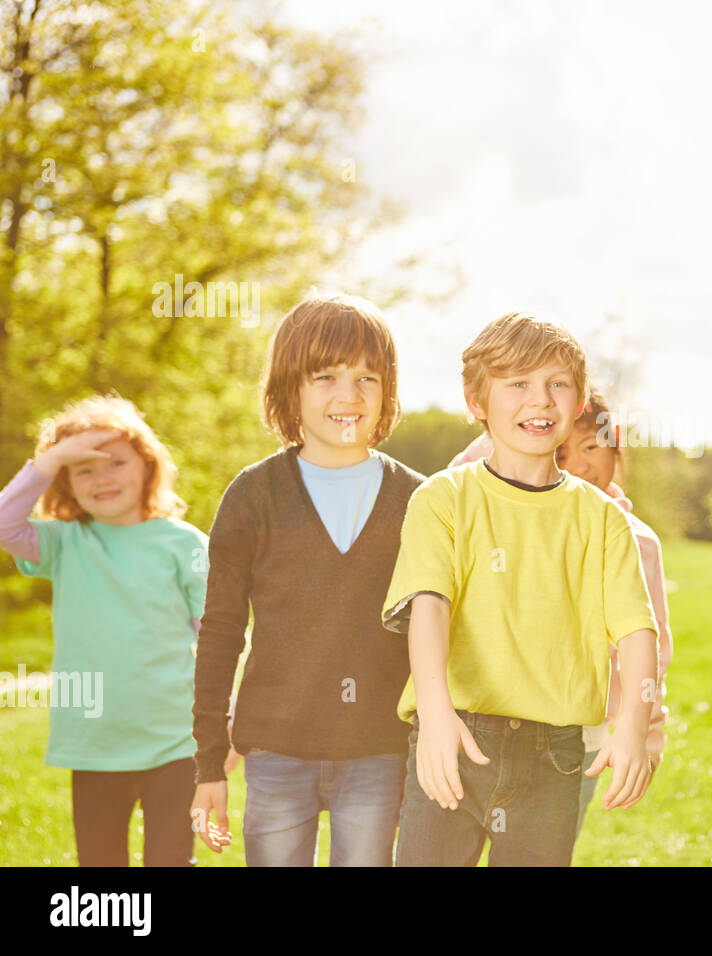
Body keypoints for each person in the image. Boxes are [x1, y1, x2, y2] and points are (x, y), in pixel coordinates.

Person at [385, 312, 659, 866]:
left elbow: (636, 629)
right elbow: (429, 609)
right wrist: (435, 715)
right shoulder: (443, 499)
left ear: (579, 401)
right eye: (518, 384)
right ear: (476, 400)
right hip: (454, 734)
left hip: (553, 754)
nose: (540, 400)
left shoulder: (605, 521)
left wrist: (632, 723)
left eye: (557, 384)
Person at [190, 294, 425, 866]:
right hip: (276, 748)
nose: (349, 396)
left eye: (368, 378)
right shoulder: (253, 495)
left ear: (387, 392)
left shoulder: (419, 499)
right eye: (326, 376)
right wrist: (208, 763)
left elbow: (438, 635)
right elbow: (220, 632)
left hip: (379, 751)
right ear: (290, 388)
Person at [449, 385, 673, 831]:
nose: (583, 465)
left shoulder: (639, 542)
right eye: (562, 452)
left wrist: (647, 735)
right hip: (483, 725)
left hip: (577, 740)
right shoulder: (515, 519)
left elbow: (653, 651)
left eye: (593, 445)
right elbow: (457, 475)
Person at [0, 395, 208, 866]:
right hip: (93, 744)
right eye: (83, 469)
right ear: (66, 482)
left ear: (148, 466)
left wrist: (226, 718)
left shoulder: (183, 544)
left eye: (116, 463)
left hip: (175, 741)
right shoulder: (63, 543)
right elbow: (3, 523)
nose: (103, 478)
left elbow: (218, 640)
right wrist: (46, 462)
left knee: (171, 860)